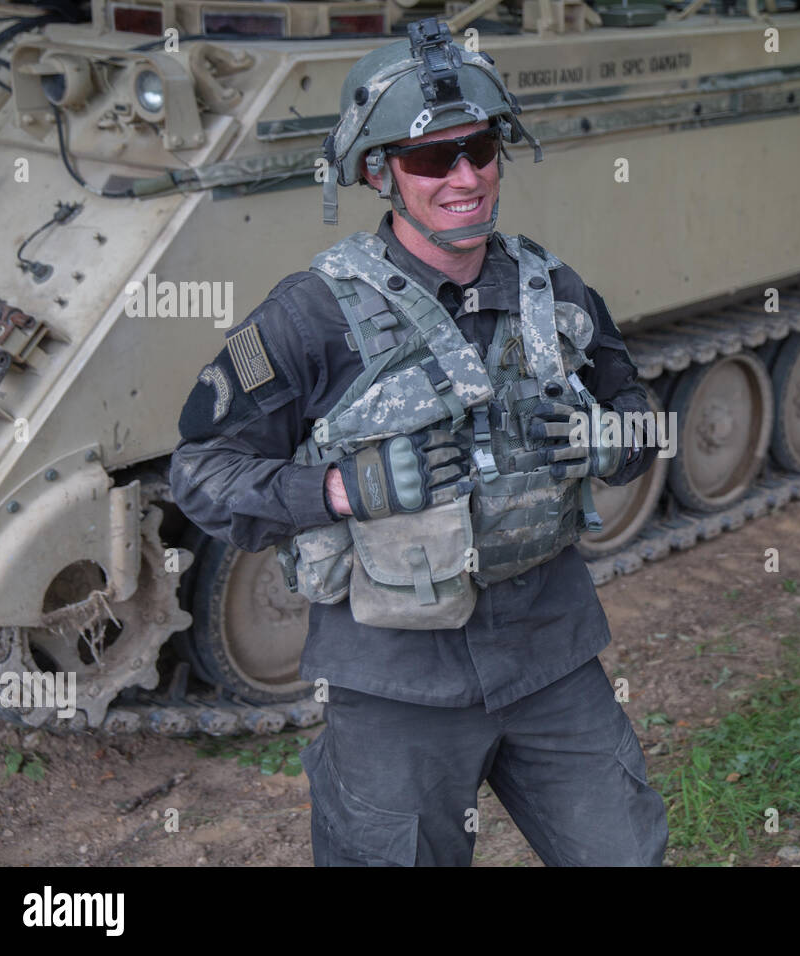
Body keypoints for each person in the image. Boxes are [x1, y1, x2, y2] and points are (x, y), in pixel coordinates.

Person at [169, 18, 668, 866]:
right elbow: (199, 472)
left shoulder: (554, 290)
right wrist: (340, 491)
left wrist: (608, 438)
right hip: (393, 680)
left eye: (479, 150)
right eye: (434, 159)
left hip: (549, 656)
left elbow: (645, 422)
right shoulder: (310, 316)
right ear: (380, 173)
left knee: (623, 853)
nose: (465, 178)